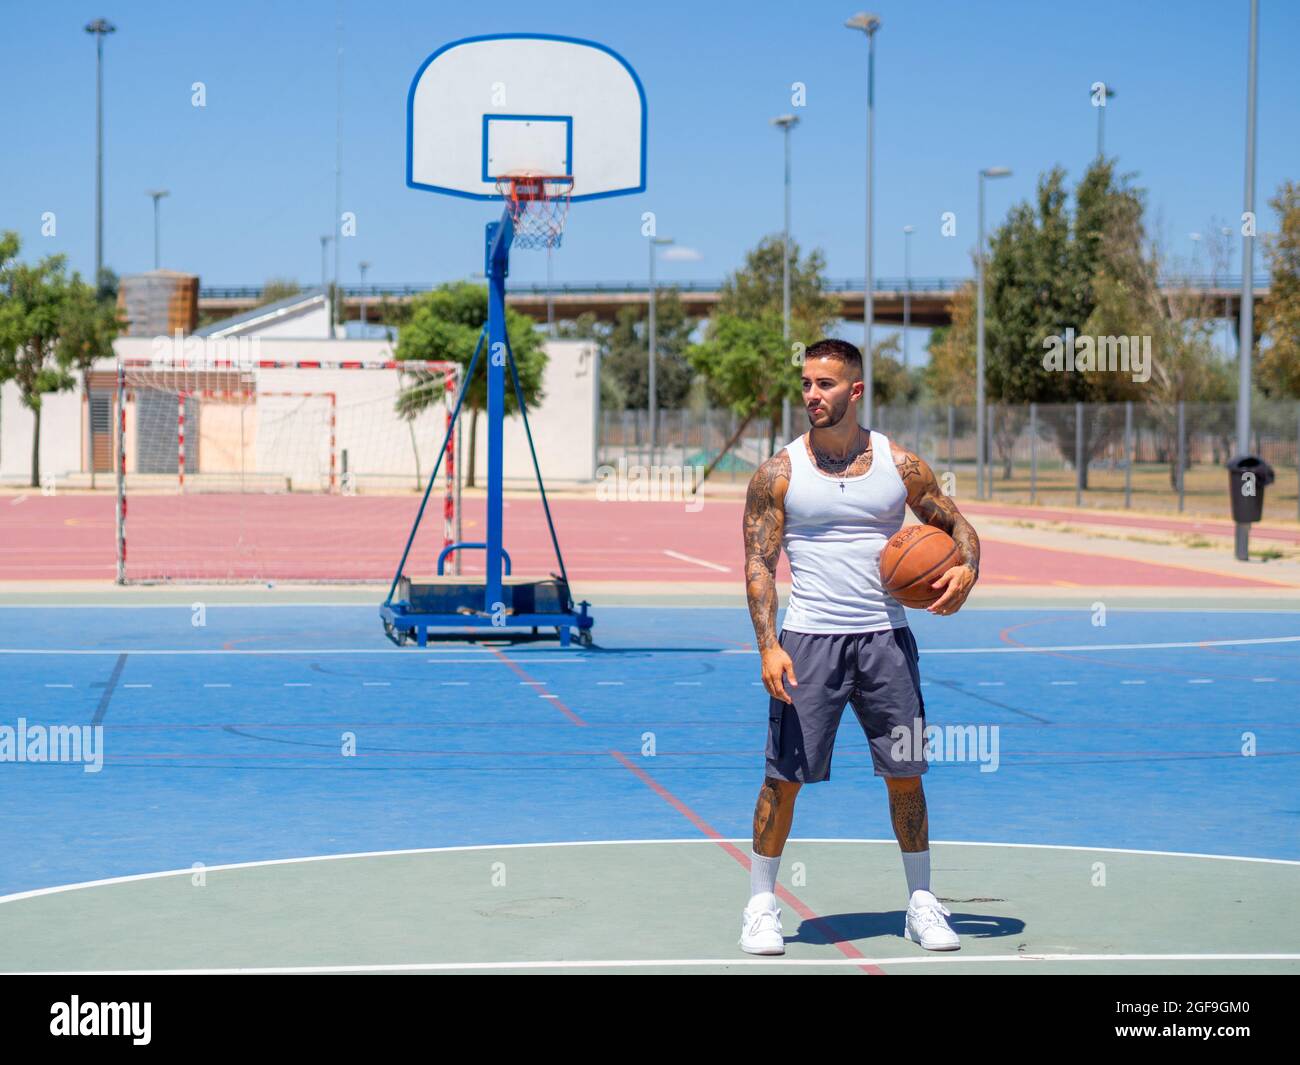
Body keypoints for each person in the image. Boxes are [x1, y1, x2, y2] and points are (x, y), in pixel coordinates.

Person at [739, 338, 980, 956]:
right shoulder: (779, 472)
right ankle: (762, 904)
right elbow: (759, 564)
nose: (812, 395)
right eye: (806, 384)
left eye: (825, 384)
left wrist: (967, 568)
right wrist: (768, 645)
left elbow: (957, 526)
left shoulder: (899, 467)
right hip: (808, 642)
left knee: (906, 775)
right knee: (783, 778)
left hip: (886, 642)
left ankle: (922, 902)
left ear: (855, 389)